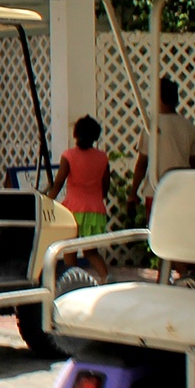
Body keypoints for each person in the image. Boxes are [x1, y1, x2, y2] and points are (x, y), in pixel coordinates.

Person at [47, 115, 111, 281]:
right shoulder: (102, 158)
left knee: (70, 249)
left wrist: (48, 201)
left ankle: (73, 281)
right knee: (91, 251)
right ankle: (107, 277)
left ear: (75, 134)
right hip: (96, 209)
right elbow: (105, 186)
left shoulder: (68, 156)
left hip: (73, 210)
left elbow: (59, 183)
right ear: (95, 136)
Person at [130, 77, 195, 207]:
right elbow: (194, 165)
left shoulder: (151, 127)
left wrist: (132, 193)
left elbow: (142, 163)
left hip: (155, 189)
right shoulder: (189, 126)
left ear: (159, 98)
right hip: (182, 189)